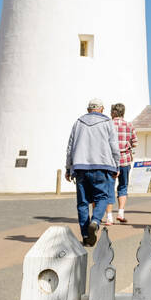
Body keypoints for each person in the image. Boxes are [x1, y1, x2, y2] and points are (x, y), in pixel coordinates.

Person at [65, 99, 120, 246]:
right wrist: (117, 165)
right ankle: (95, 222)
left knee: (82, 203)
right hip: (102, 165)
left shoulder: (78, 122)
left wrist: (68, 167)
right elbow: (114, 146)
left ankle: (85, 236)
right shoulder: (108, 122)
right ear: (102, 109)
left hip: (81, 166)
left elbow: (70, 146)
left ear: (88, 109)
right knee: (102, 197)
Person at [109, 103, 137, 225]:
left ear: (113, 112)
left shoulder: (108, 125)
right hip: (125, 159)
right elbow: (135, 142)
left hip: (110, 161)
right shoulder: (129, 125)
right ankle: (120, 213)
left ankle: (109, 217)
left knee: (109, 187)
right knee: (123, 186)